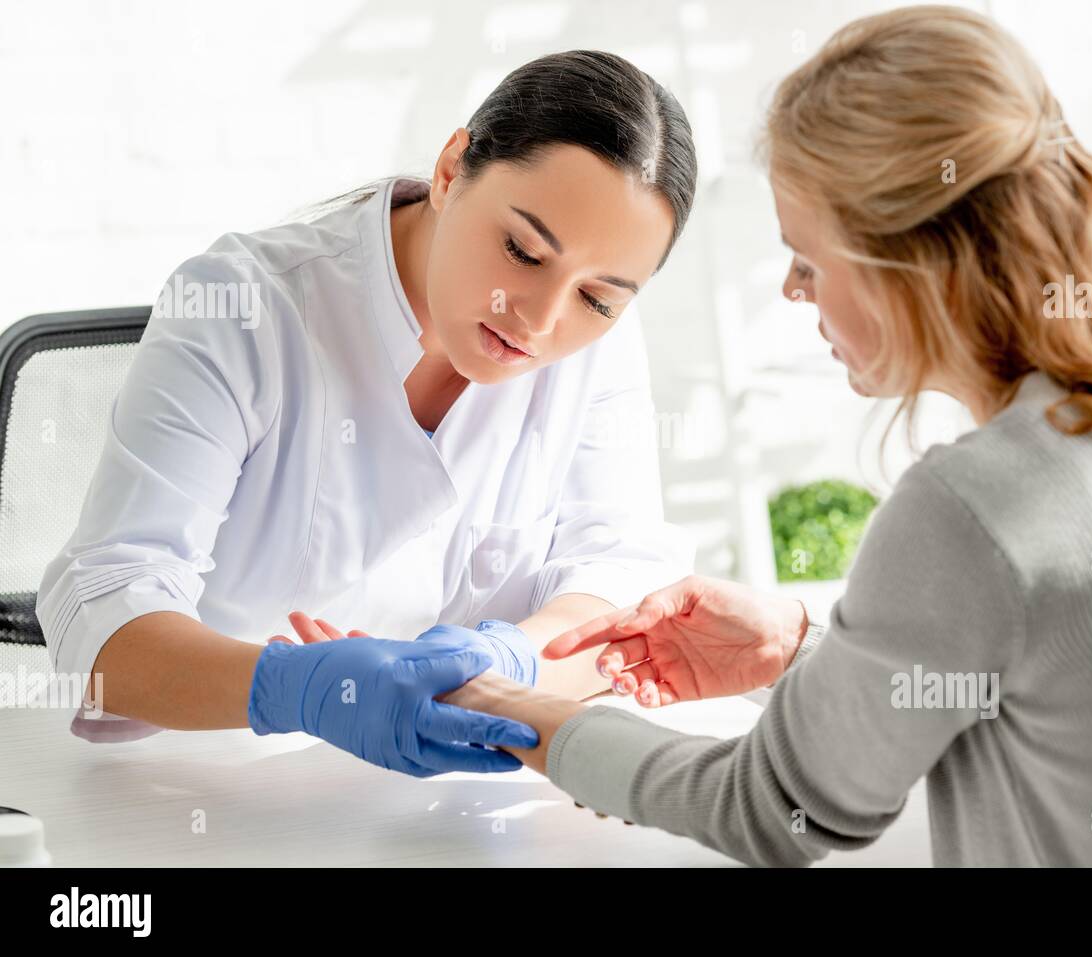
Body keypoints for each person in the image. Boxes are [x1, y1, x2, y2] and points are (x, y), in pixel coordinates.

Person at [354, 6, 1092, 863]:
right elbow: (1050, 673)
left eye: (808, 259)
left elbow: (778, 808)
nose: (792, 292)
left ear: (899, 259)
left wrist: (511, 712)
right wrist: (801, 647)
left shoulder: (976, 505)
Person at [35, 50, 698, 778]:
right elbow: (102, 602)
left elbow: (621, 575)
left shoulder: (599, 345)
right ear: (451, 170)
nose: (541, 319)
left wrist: (506, 657)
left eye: (598, 298)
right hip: (212, 785)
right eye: (522, 250)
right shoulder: (242, 308)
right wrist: (293, 691)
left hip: (464, 796)